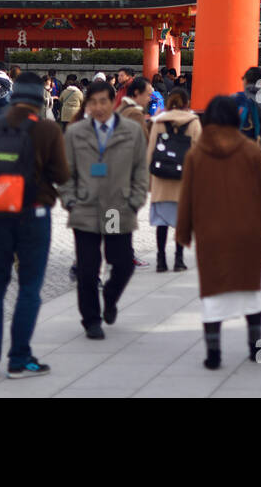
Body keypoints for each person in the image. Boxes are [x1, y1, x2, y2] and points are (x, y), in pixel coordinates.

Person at [0, 71, 70, 379]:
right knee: (29, 288)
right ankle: (19, 359)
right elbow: (62, 175)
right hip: (34, 216)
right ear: (39, 100)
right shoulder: (47, 130)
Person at [175, 94, 261, 370]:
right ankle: (256, 348)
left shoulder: (196, 154)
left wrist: (183, 233)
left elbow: (187, 197)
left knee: (213, 293)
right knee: (250, 290)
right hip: (247, 231)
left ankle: (214, 354)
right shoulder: (251, 151)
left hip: (210, 233)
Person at [63, 79, 150, 338]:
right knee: (88, 269)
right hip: (85, 208)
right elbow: (66, 171)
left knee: (122, 263)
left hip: (117, 208)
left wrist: (134, 200)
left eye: (104, 101)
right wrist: (70, 199)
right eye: (93, 102)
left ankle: (110, 298)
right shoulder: (75, 133)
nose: (99, 107)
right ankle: (91, 320)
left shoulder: (131, 131)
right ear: (87, 105)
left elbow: (140, 170)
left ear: (113, 102)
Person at [146, 88, 200, 272]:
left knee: (161, 222)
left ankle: (161, 260)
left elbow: (151, 151)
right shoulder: (194, 123)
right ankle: (178, 259)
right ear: (187, 103)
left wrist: (149, 180)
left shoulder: (159, 122)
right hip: (185, 179)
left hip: (162, 178)